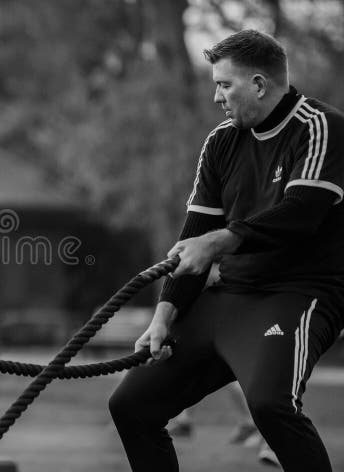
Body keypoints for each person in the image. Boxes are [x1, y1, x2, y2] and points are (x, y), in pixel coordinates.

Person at [108, 30, 344, 472]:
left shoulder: (321, 126)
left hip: (300, 292)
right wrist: (164, 316)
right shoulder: (221, 141)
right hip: (229, 294)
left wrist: (222, 240)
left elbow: (302, 213)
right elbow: (196, 235)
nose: (217, 96)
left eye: (224, 84)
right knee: (132, 407)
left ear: (259, 84)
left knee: (272, 406)